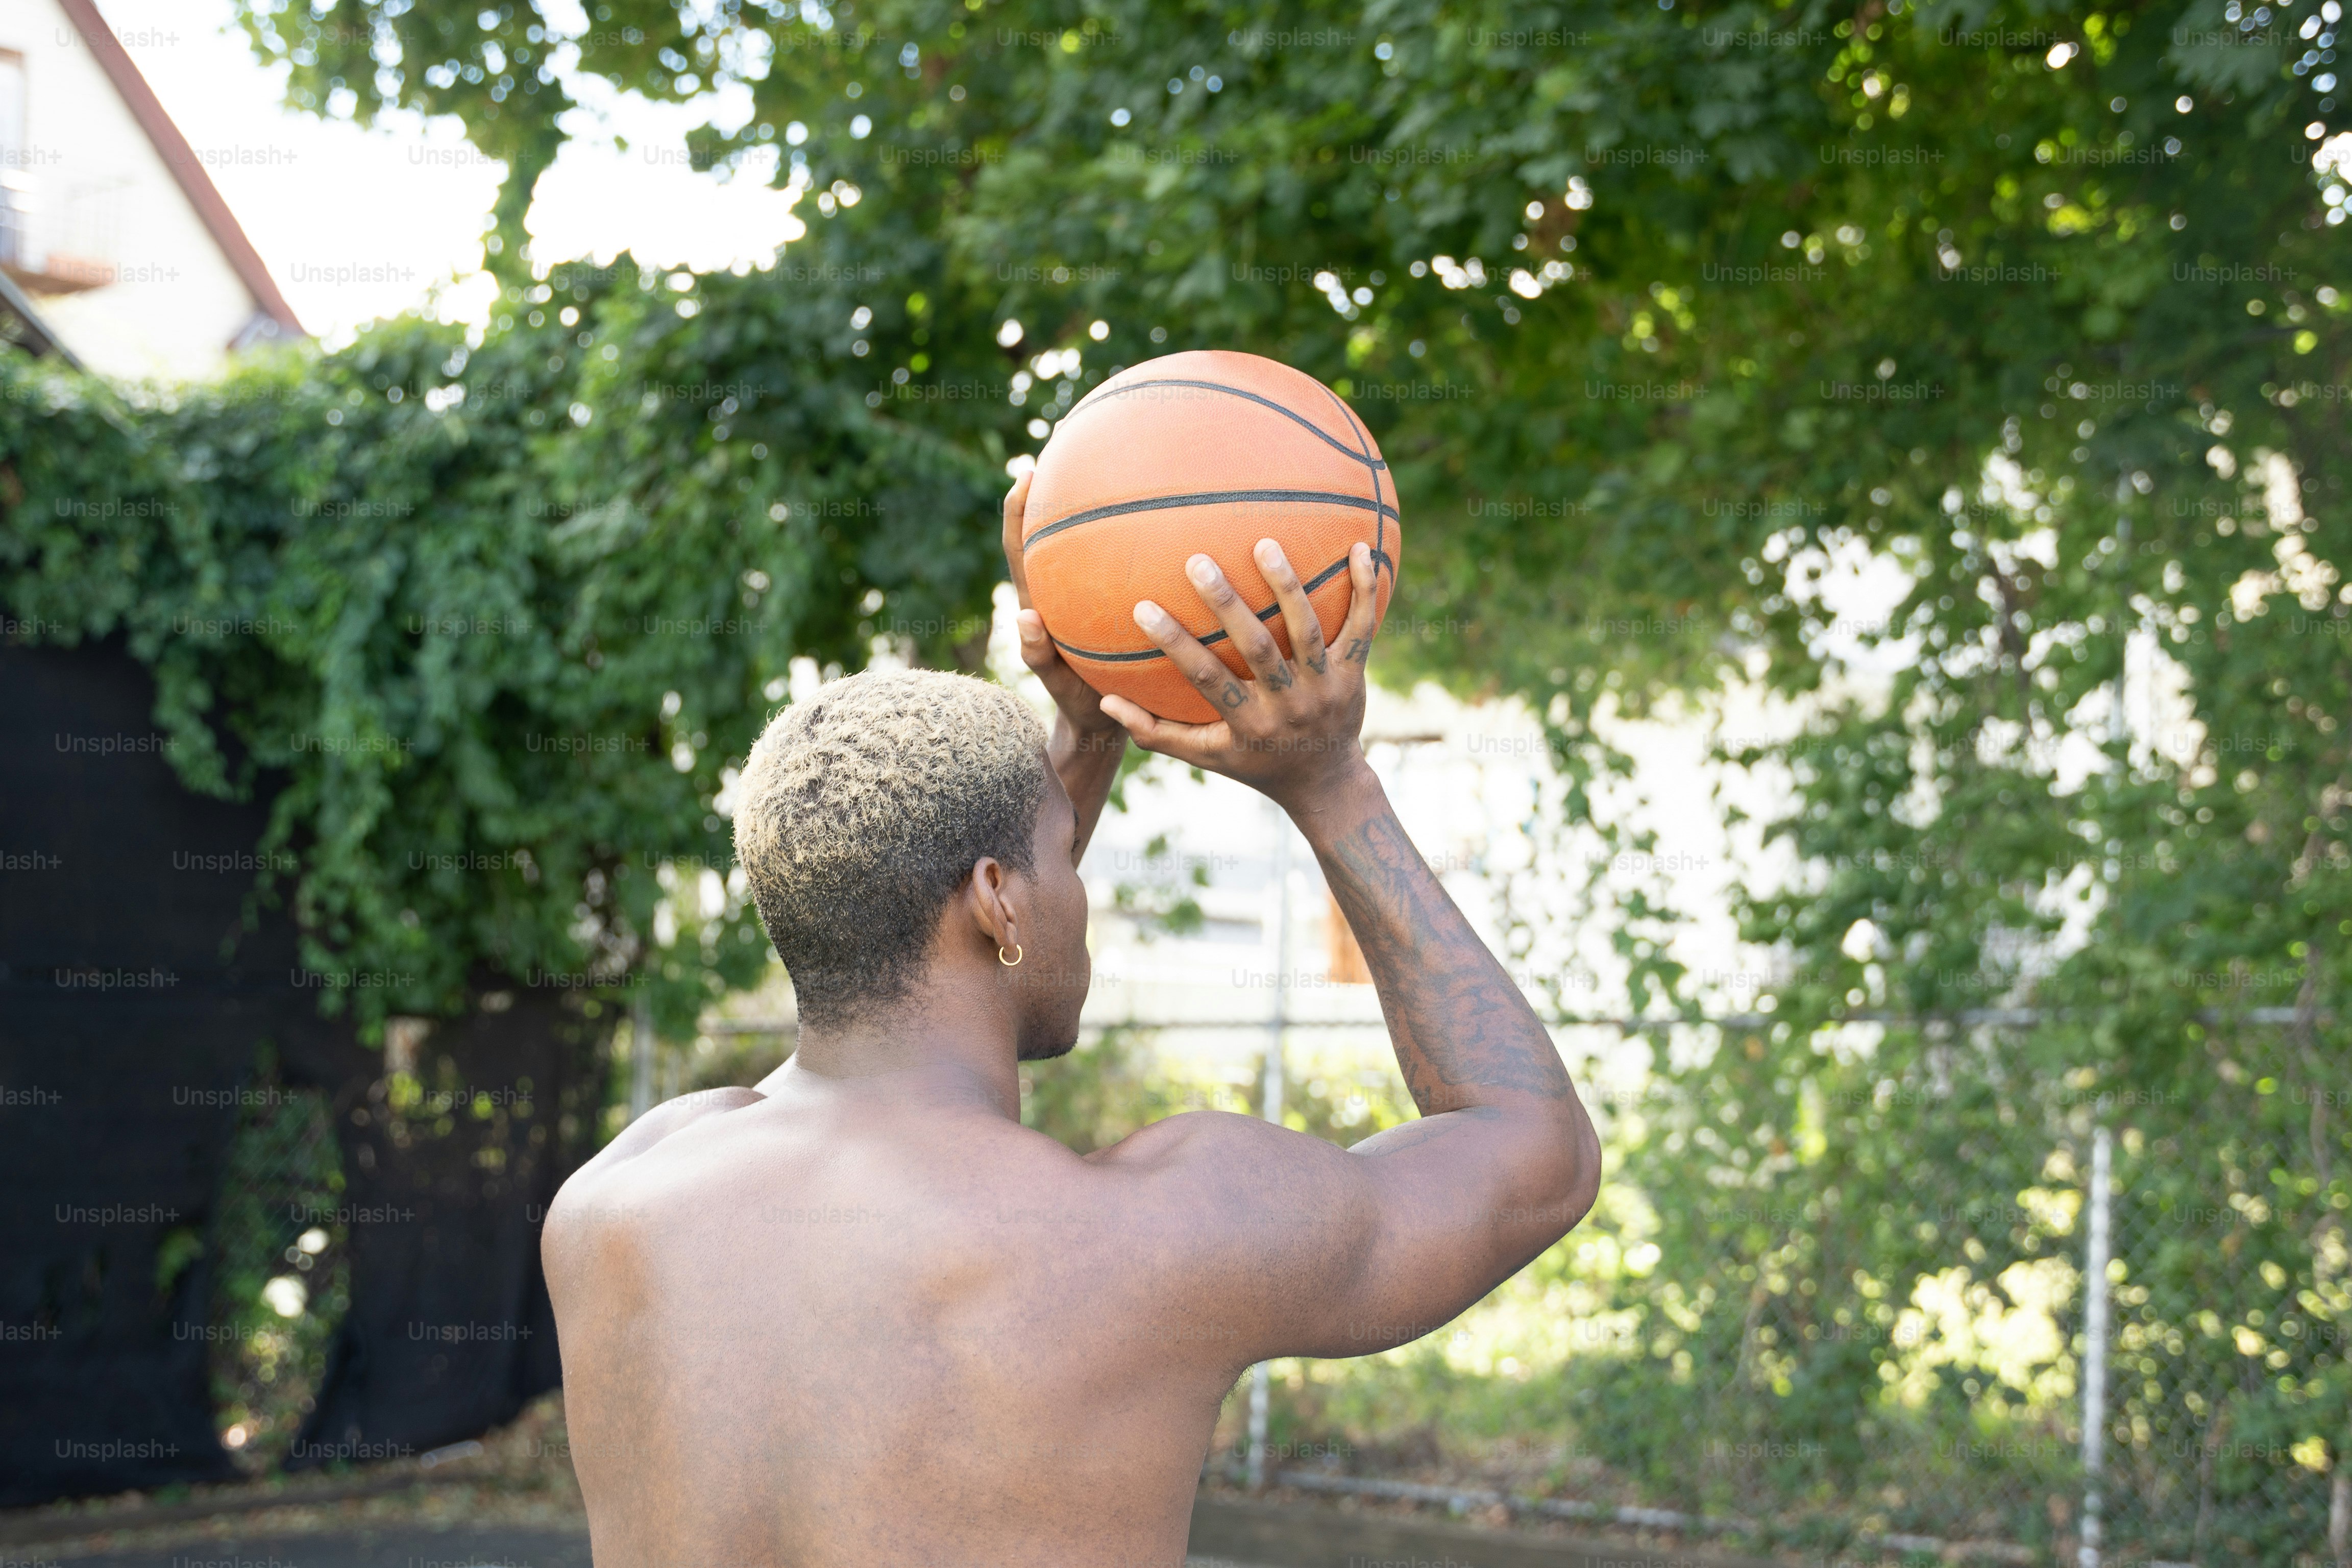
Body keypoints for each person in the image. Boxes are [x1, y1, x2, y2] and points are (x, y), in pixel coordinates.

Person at [542, 474, 1604, 1567]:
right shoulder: (1151, 1237)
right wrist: (1330, 783)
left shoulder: (616, 1207)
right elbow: (1541, 1154)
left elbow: (921, 943)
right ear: (999, 899)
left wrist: (1085, 738)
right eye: (1063, 854)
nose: (1080, 887)